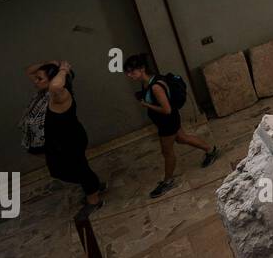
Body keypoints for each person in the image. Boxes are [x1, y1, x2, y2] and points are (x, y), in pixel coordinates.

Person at [124, 53, 219, 199]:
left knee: (167, 152)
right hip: (168, 121)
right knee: (182, 138)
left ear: (142, 69)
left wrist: (146, 104)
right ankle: (210, 150)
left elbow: (166, 110)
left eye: (132, 71)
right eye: (128, 72)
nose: (129, 75)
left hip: (167, 123)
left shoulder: (155, 87)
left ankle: (168, 181)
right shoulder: (147, 82)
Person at [26, 60, 103, 212]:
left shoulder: (59, 94)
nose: (35, 81)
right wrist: (49, 62)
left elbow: (55, 85)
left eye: (40, 79)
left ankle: (94, 200)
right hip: (59, 142)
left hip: (70, 140)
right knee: (61, 170)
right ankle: (94, 185)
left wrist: (63, 69)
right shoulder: (46, 92)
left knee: (78, 169)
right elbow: (29, 70)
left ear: (53, 79)